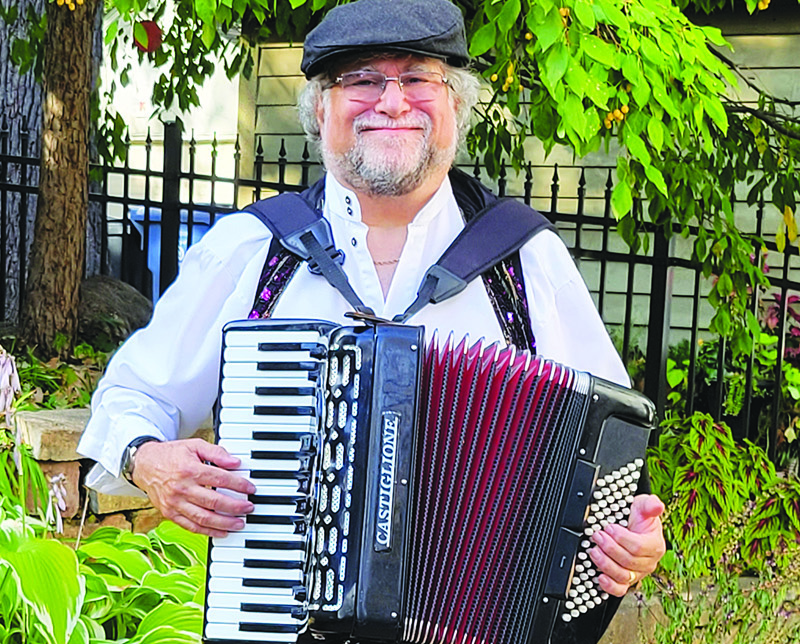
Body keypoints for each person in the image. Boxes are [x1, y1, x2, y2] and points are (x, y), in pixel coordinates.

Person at [78, 0, 664, 601]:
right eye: (360, 80)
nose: (391, 101)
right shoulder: (253, 252)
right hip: (282, 620)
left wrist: (630, 545)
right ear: (320, 109)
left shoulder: (523, 260)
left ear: (454, 107)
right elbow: (130, 397)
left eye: (416, 78)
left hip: (474, 620)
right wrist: (147, 460)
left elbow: (613, 446)